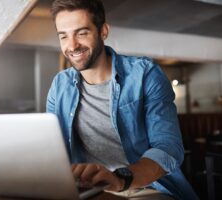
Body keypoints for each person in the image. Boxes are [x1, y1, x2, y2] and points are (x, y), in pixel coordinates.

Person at [47, 0, 198, 199]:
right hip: (89, 191)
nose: (72, 45)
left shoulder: (145, 75)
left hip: (146, 187)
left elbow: (168, 148)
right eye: (63, 36)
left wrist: (121, 179)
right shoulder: (59, 85)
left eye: (81, 33)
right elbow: (51, 148)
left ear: (103, 31)